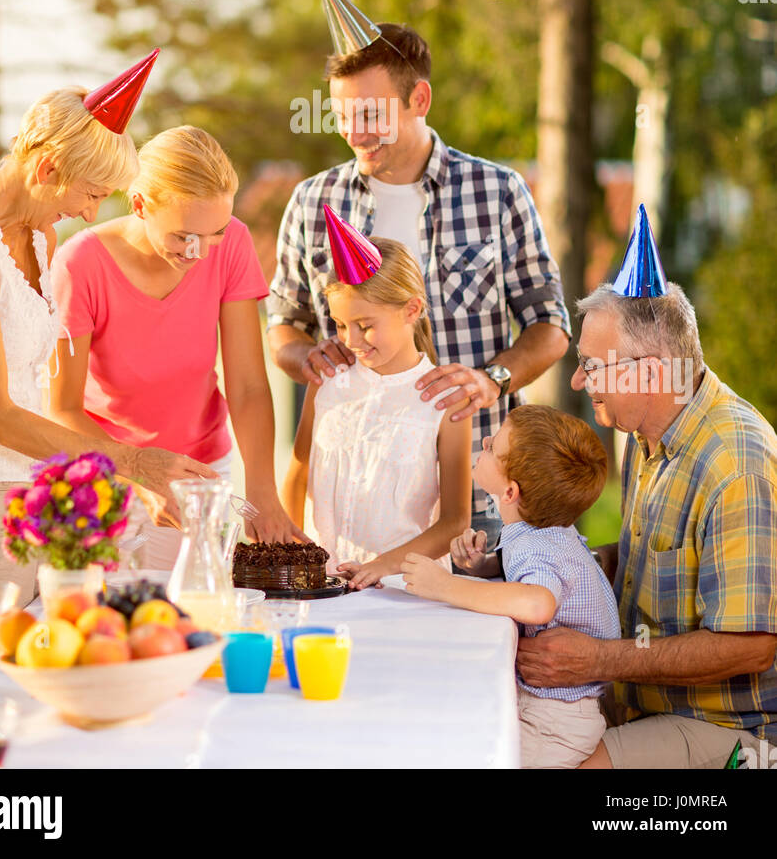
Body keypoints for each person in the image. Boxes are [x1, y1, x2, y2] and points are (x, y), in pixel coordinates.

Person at [268, 0, 570, 548]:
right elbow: (282, 325)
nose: (356, 134)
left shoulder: (498, 191)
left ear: (419, 100)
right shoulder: (312, 201)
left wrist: (490, 380)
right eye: (343, 116)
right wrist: (308, 355)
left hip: (484, 496)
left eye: (371, 115)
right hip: (352, 506)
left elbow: (551, 328)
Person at [0, 53, 208, 603]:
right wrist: (135, 464)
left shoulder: (40, 241)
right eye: (92, 194)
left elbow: (36, 395)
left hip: (31, 491)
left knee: (60, 651)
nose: (93, 214)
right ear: (48, 170)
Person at [516, 208, 777, 770]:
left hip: (731, 728)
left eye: (591, 365)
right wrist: (547, 564)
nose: (580, 381)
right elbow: (637, 566)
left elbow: (752, 645)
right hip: (643, 702)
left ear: (650, 373)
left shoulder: (737, 465)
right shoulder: (643, 433)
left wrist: (598, 661)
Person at [49, 125, 304, 571]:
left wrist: (263, 490)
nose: (201, 253)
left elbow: (246, 385)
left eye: (215, 233)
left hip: (201, 474)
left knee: (199, 617)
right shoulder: (80, 264)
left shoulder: (233, 245)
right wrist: (136, 473)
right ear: (141, 204)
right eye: (185, 236)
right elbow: (63, 408)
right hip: (107, 473)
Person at [403, 405, 620, 768]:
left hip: (554, 720)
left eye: (492, 447)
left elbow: (539, 603)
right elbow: (536, 581)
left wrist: (444, 585)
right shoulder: (546, 529)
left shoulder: (535, 545)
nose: (484, 440)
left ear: (510, 492)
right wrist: (483, 566)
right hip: (562, 710)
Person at [281, 208, 472, 585]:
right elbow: (297, 473)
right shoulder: (327, 380)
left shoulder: (447, 398)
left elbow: (455, 521)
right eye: (339, 324)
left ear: (411, 310)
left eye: (365, 326)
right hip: (324, 583)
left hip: (404, 589)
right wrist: (293, 554)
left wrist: (382, 566)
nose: (350, 340)